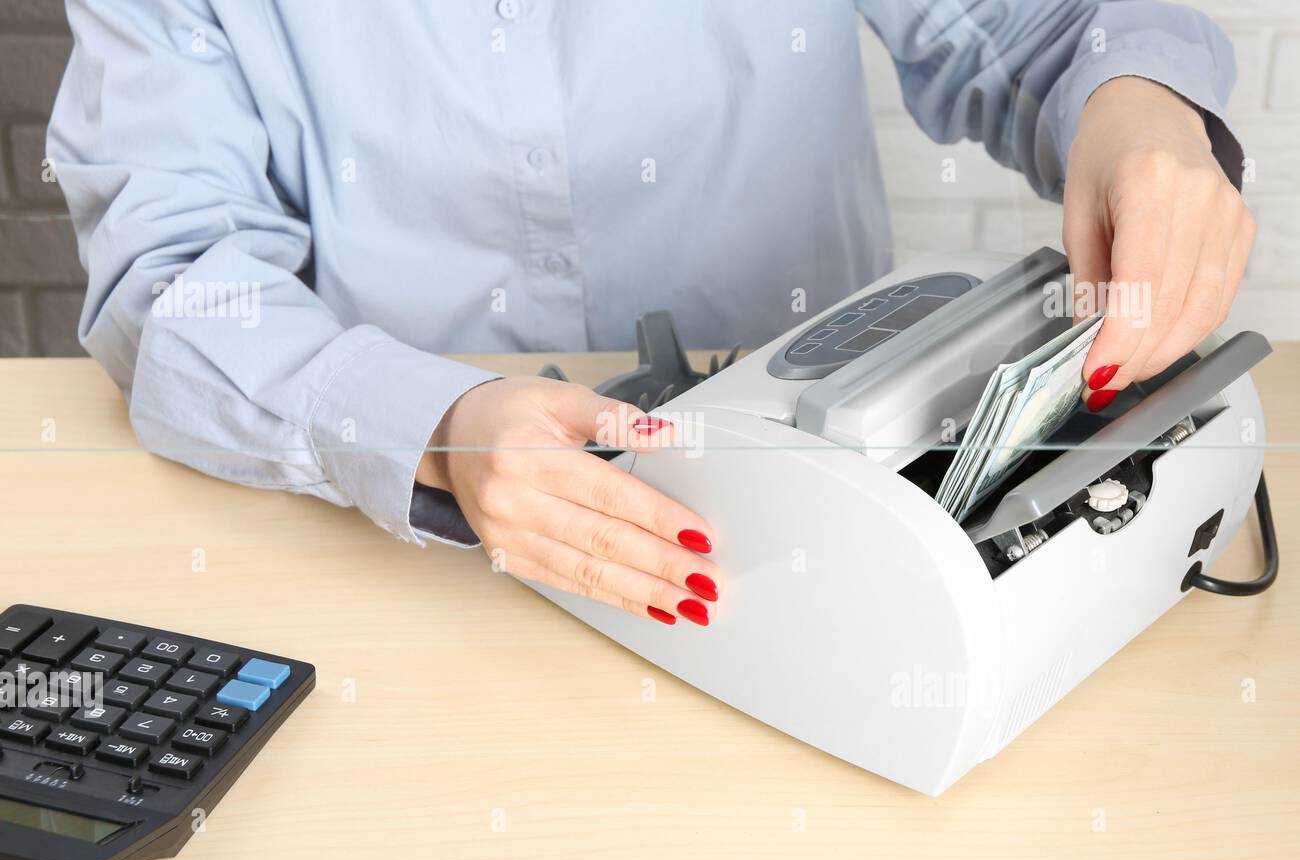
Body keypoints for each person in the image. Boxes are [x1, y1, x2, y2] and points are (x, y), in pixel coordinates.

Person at [48, 1, 1254, 628]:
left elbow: (1041, 27)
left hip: (831, 516)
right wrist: (433, 422)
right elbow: (172, 268)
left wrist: (1139, 108)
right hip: (418, 543)